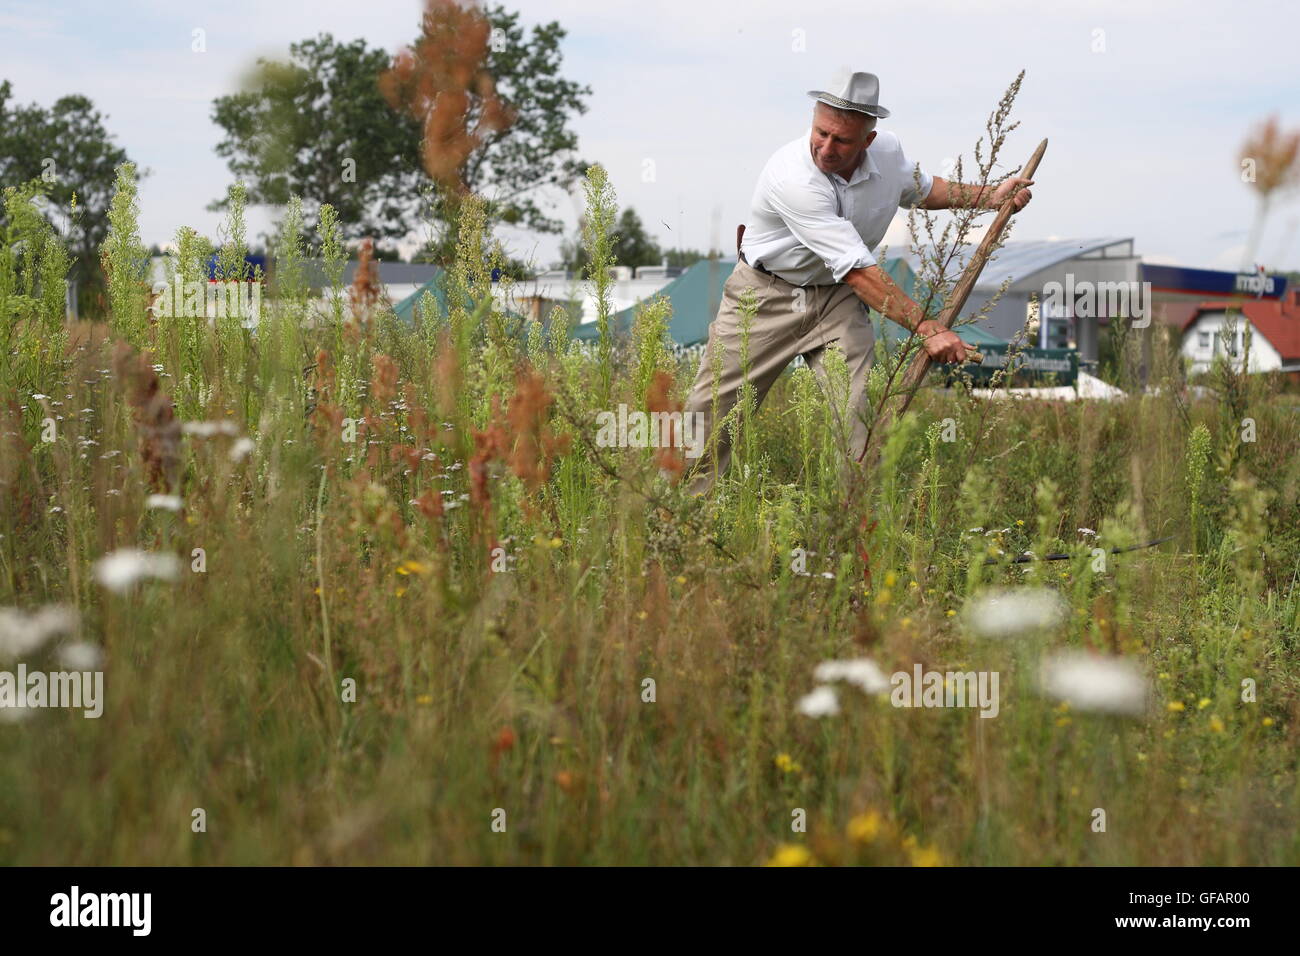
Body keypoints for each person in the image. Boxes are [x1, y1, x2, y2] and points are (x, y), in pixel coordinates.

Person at [683, 71, 1033, 496]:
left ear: (868, 140)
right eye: (820, 132)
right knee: (714, 412)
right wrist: (929, 329)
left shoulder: (887, 154)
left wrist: (990, 197)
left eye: (842, 141)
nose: (826, 148)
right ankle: (679, 512)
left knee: (860, 409)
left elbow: (922, 190)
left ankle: (855, 517)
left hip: (836, 301)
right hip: (766, 295)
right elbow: (857, 269)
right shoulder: (791, 177)